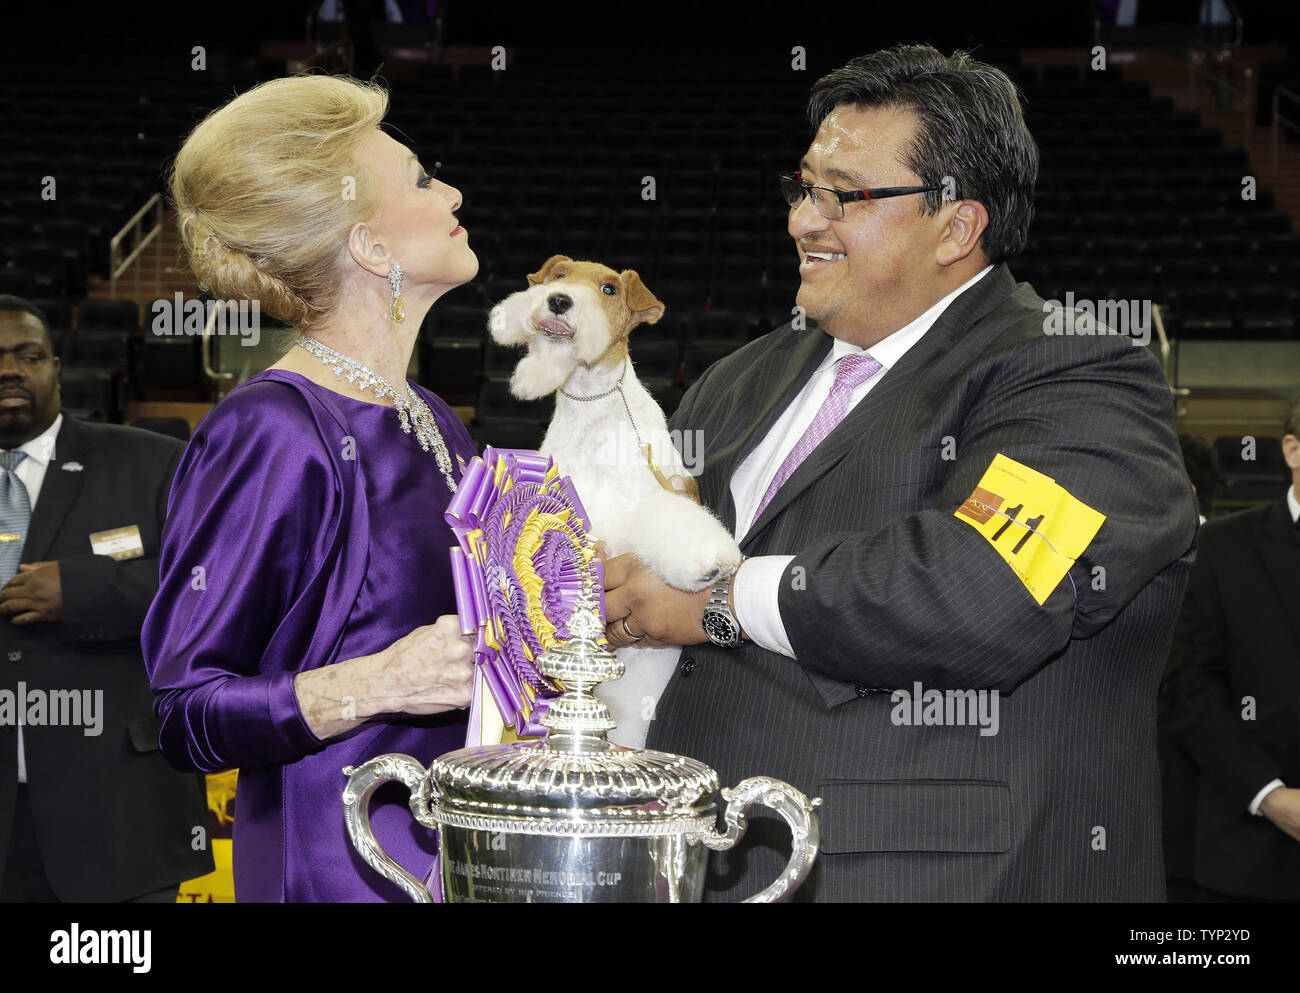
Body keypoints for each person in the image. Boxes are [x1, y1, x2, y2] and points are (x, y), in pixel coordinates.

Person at [603, 44, 1198, 901]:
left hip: (931, 877)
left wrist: (716, 604)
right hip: (701, 862)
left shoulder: (1080, 377)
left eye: (843, 195)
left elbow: (986, 584)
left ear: (957, 225)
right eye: (804, 188)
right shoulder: (737, 380)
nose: (804, 220)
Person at [142, 74, 478, 902]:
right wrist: (380, 681)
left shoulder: (431, 415)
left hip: (449, 856)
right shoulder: (271, 430)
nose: (454, 190)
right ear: (370, 247)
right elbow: (187, 711)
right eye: (423, 179)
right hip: (340, 870)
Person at [0, 296, 212, 902]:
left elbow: (216, 589)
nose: (9, 370)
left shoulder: (154, 462)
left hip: (119, 816)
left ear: (57, 367)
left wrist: (90, 592)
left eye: (28, 355)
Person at [1160, 397, 1300, 901]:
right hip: (1251, 855)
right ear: (1292, 450)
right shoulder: (1223, 549)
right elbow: (1190, 692)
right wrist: (1270, 796)